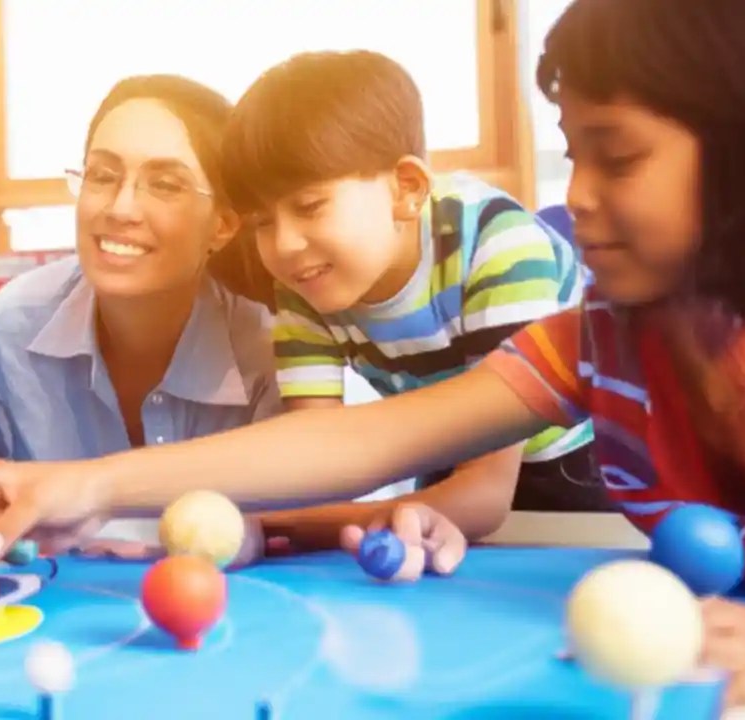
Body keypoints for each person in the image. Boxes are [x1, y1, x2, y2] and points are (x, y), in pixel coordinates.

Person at [0, 0, 745, 706]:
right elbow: (365, 440)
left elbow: (478, 493)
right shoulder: (604, 335)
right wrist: (86, 483)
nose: (576, 196)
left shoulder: (518, 264)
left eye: (616, 159)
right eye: (574, 155)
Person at [225, 49, 602, 553]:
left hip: (573, 460)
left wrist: (276, 521)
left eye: (309, 206)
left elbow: (486, 496)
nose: (285, 244)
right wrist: (223, 527)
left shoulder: (499, 245)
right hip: (449, 454)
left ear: (406, 188)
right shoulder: (304, 283)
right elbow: (314, 458)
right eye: (262, 223)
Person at [0, 75, 281, 468]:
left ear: (223, 225)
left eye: (165, 185)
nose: (120, 209)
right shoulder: (3, 336)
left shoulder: (268, 358)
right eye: (102, 175)